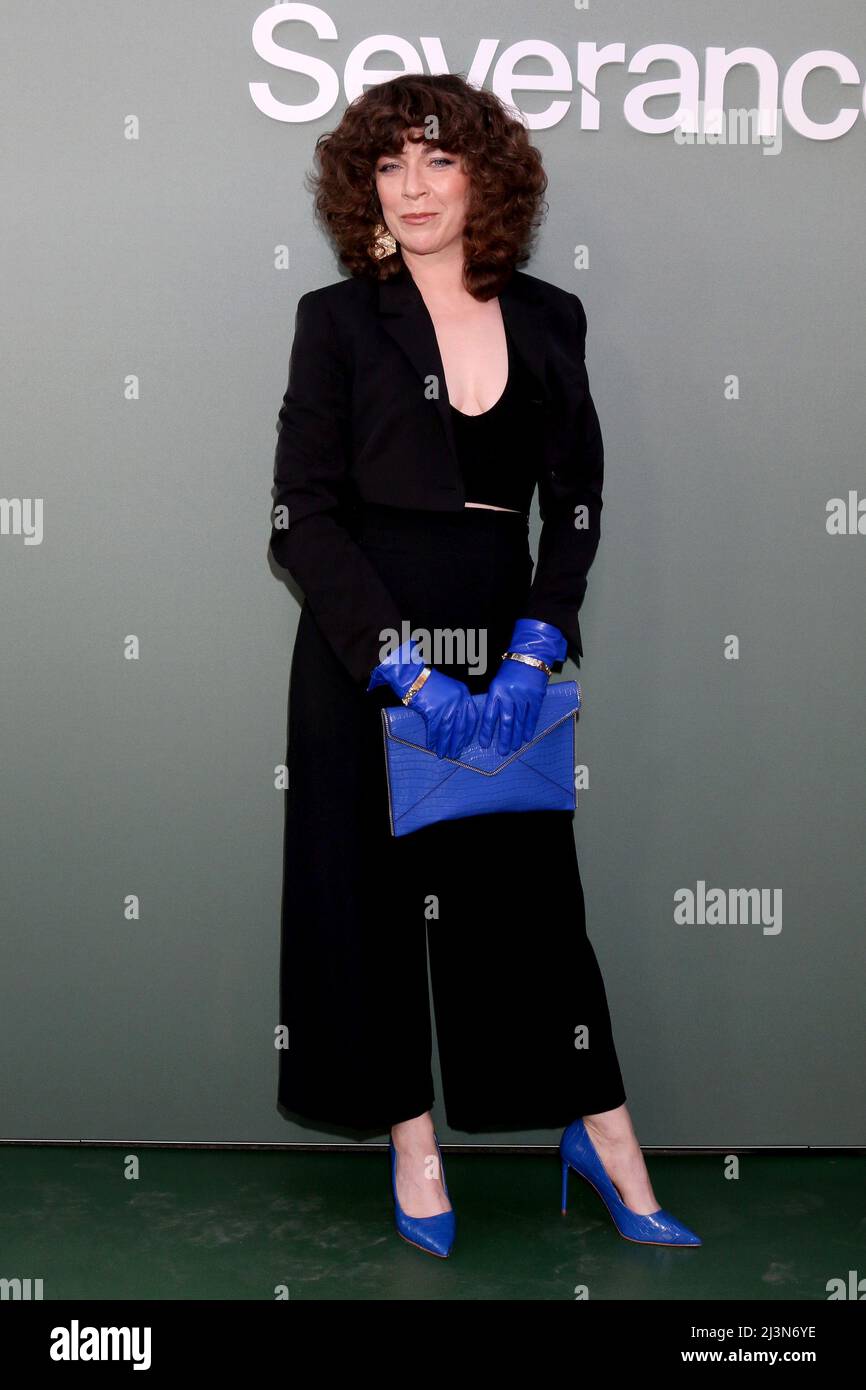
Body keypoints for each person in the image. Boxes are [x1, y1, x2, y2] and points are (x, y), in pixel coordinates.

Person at [269, 73, 701, 1257]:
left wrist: (537, 643)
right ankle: (416, 1151)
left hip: (501, 642)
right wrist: (399, 668)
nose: (410, 187)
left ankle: (602, 1135)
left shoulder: (549, 316)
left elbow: (572, 506)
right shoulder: (337, 319)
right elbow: (299, 517)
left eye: (436, 161)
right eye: (389, 165)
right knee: (368, 907)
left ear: (483, 178)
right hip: (368, 653)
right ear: (364, 185)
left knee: (526, 912)